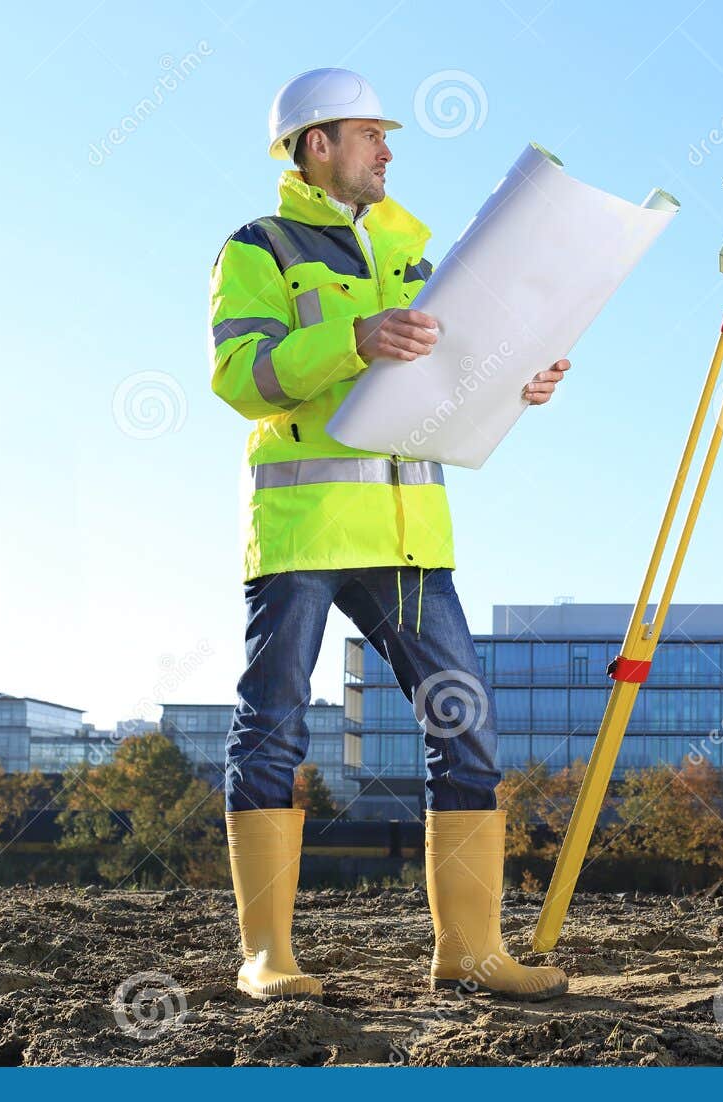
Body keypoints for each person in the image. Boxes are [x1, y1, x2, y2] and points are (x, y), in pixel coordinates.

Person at [208, 68, 569, 1002]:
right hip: (305, 529)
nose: (388, 149)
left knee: (467, 726)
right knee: (274, 732)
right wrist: (352, 340)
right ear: (316, 144)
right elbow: (241, 376)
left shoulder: (416, 249)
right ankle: (266, 956)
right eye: (371, 132)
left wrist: (516, 382)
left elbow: (449, 376)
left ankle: (470, 951)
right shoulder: (259, 248)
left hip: (410, 533)